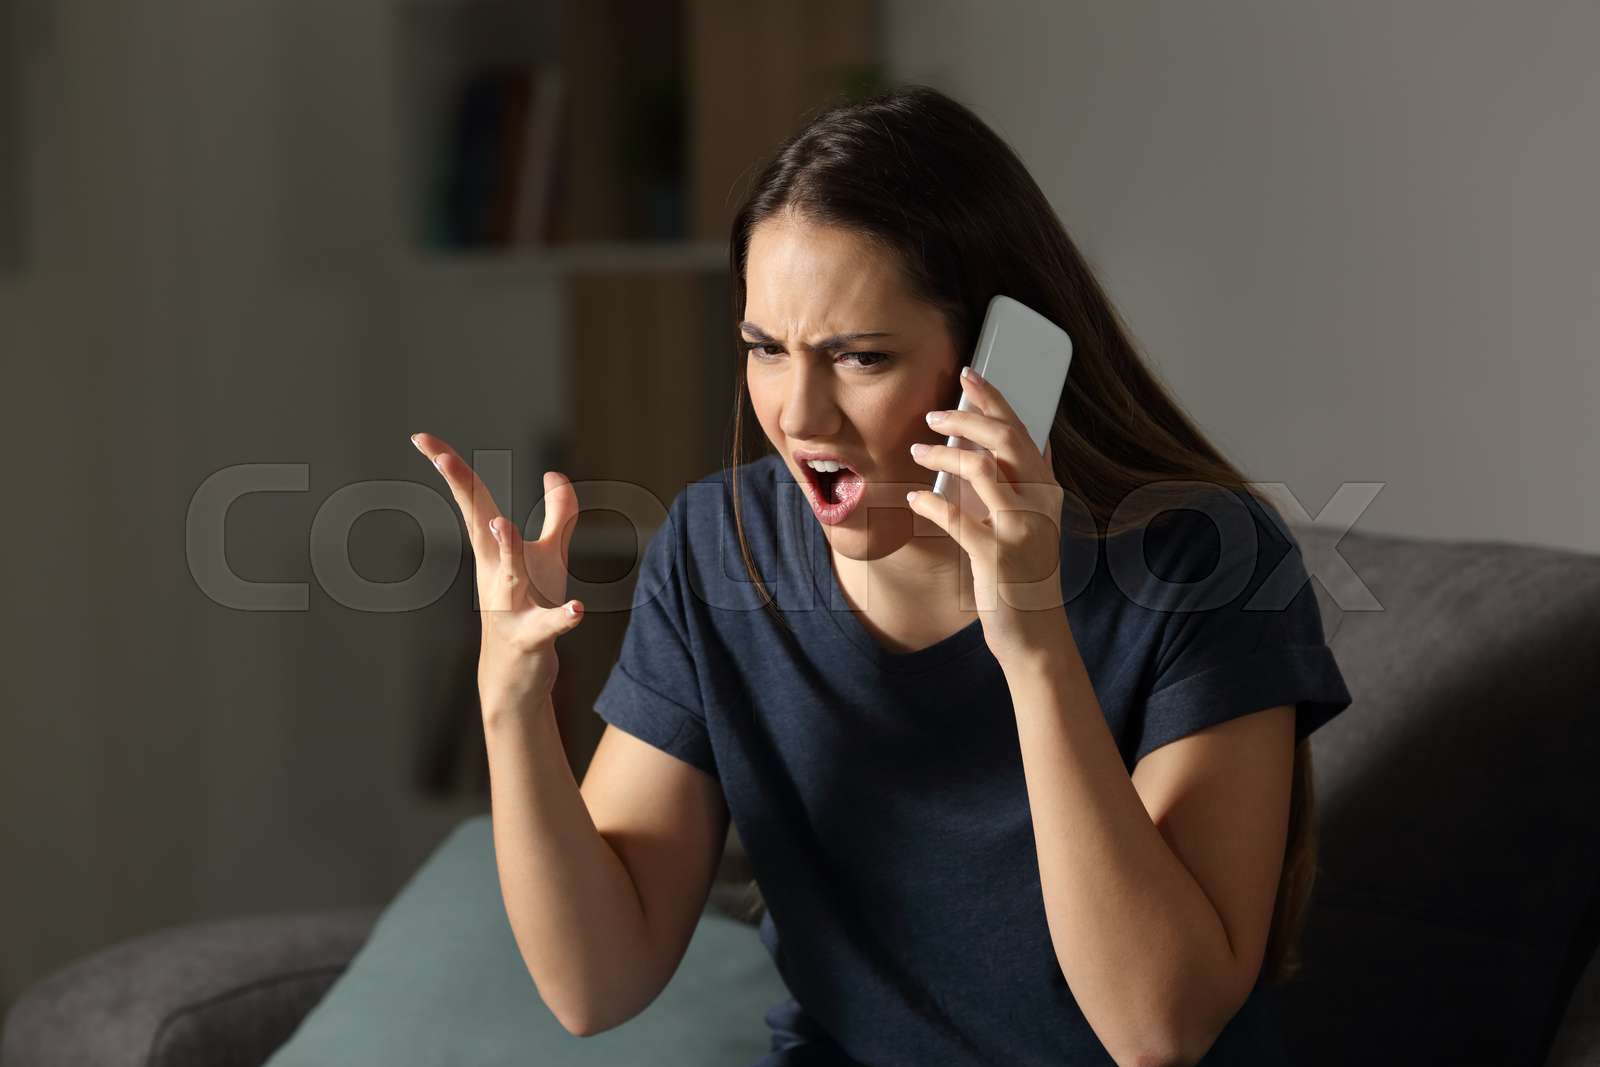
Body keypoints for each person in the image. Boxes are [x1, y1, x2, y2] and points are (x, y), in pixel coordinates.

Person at [411, 83, 1352, 1067]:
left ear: (1000, 359)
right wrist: (511, 704)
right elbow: (593, 985)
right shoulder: (716, 549)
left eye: (858, 357)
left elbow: (1157, 1025)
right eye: (765, 348)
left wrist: (1032, 642)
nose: (799, 414)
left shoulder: (1208, 560)